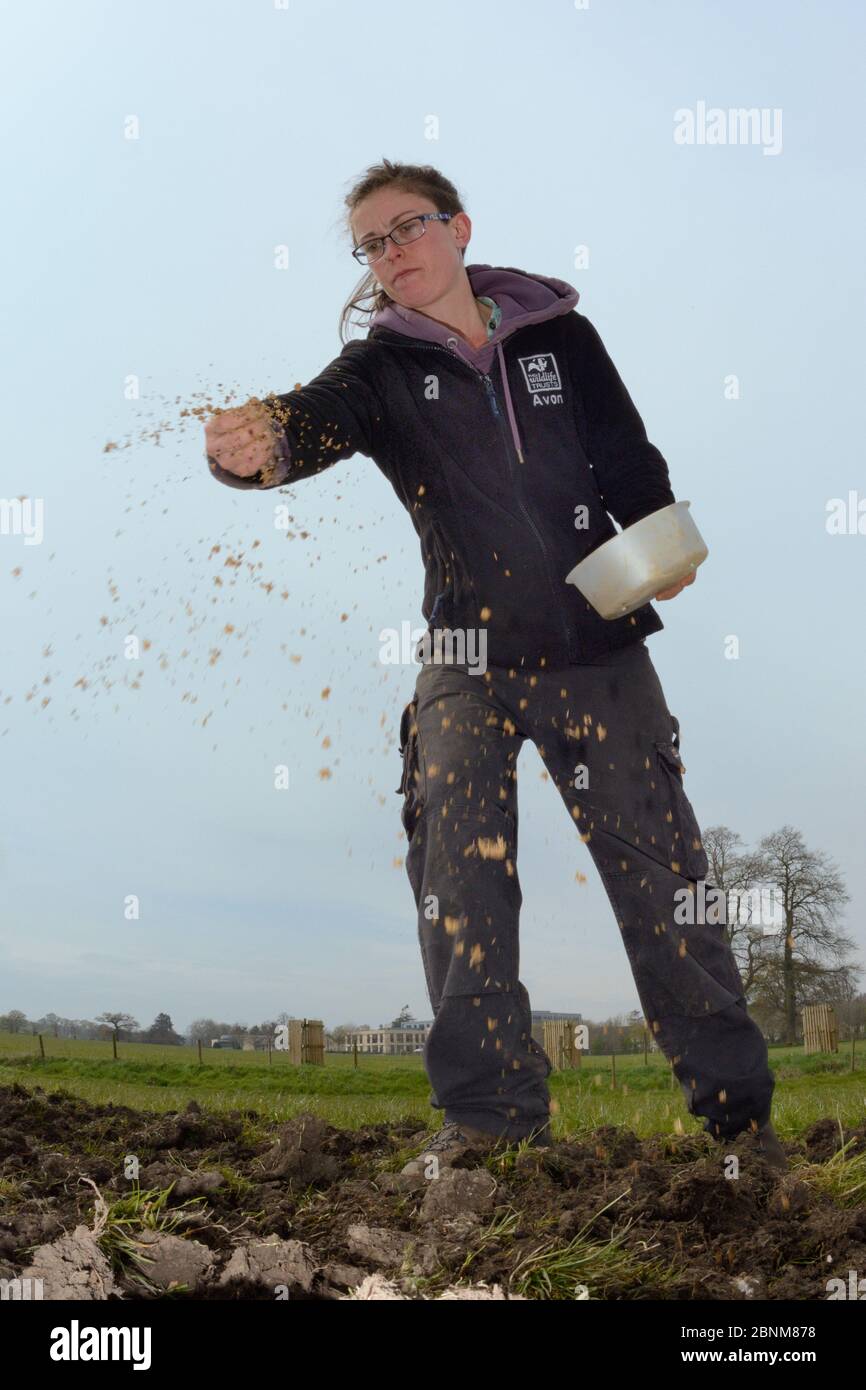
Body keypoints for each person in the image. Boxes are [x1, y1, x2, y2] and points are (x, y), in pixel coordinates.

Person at [204, 159, 785, 1174]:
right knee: (457, 880)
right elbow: (309, 423)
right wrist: (254, 446)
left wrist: (654, 536)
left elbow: (624, 456)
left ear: (459, 228)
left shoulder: (559, 336)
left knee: (665, 882)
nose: (391, 253)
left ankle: (738, 1124)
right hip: (463, 654)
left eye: (407, 228)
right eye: (371, 244)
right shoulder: (377, 370)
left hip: (595, 644)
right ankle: (486, 1128)